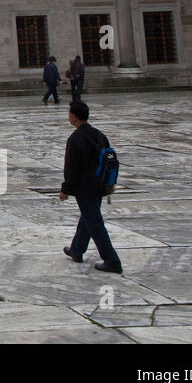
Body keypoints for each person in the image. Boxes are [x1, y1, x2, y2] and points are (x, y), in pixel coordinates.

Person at [59, 100, 122, 273]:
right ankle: (76, 250)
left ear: (74, 116)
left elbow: (71, 168)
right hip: (100, 185)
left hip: (85, 188)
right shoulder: (99, 135)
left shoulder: (75, 138)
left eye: (69, 113)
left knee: (94, 222)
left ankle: (112, 261)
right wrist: (110, 183)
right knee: (88, 217)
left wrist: (65, 189)